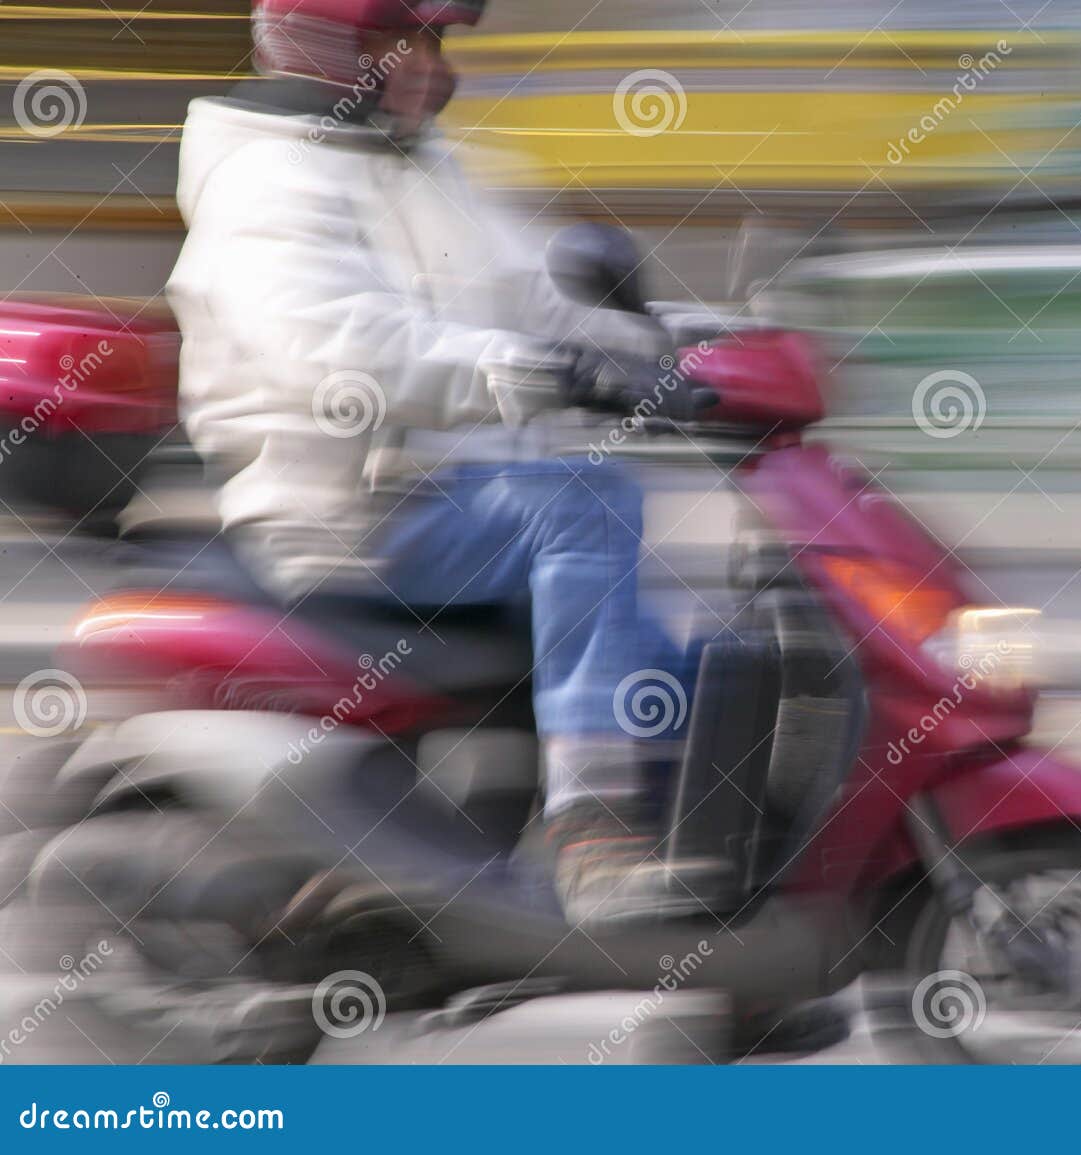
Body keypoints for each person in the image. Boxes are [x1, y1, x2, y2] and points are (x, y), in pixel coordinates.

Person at [165, 0, 726, 926]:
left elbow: (543, 303)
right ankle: (592, 832)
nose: (427, 64)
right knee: (586, 505)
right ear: (329, 47)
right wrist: (542, 373)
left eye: (433, 41)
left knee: (675, 672)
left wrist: (684, 347)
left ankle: (717, 882)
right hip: (355, 513)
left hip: (459, 502)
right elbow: (344, 350)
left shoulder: (429, 166)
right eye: (402, 40)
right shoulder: (266, 181)